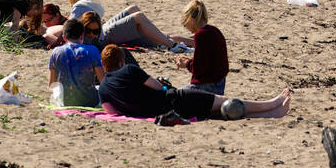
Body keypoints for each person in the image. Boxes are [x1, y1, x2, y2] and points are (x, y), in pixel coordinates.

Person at [97, 45, 291, 120]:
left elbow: (112, 113)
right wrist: (165, 86)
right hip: (175, 100)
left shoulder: (104, 88)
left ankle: (272, 113)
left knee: (216, 114)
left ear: (105, 66)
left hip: (160, 113)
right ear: (122, 61)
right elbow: (157, 87)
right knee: (222, 102)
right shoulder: (129, 69)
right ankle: (270, 105)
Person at [166, 0, 229, 94]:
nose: (185, 27)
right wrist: (190, 61)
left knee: (172, 95)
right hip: (219, 83)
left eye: (185, 23)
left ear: (191, 18)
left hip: (206, 86)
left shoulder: (201, 35)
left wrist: (186, 63)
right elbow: (208, 61)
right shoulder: (215, 30)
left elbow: (199, 68)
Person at [48, 18, 105, 107]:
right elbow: (103, 80)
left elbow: (52, 84)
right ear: (82, 35)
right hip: (90, 101)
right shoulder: (92, 50)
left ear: (64, 37)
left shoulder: (56, 52)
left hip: (64, 101)